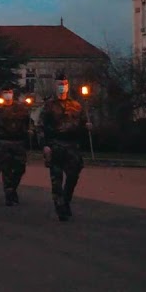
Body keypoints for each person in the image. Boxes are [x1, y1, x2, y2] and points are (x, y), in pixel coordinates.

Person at [37, 72, 91, 221]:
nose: (62, 87)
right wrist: (45, 145)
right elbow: (41, 127)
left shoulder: (76, 105)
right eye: (59, 85)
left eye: (64, 85)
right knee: (56, 179)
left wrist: (86, 127)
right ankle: (60, 206)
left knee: (73, 176)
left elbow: (82, 125)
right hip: (55, 145)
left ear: (68, 86)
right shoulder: (49, 106)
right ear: (55, 86)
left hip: (72, 146)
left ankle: (66, 200)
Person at [0, 83, 33, 206]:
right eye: (5, 92)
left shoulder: (21, 108)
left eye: (10, 92)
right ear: (2, 94)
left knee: (20, 168)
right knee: (6, 169)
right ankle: (9, 194)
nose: (8, 94)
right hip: (3, 142)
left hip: (18, 142)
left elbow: (28, 123)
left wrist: (29, 133)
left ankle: (12, 189)